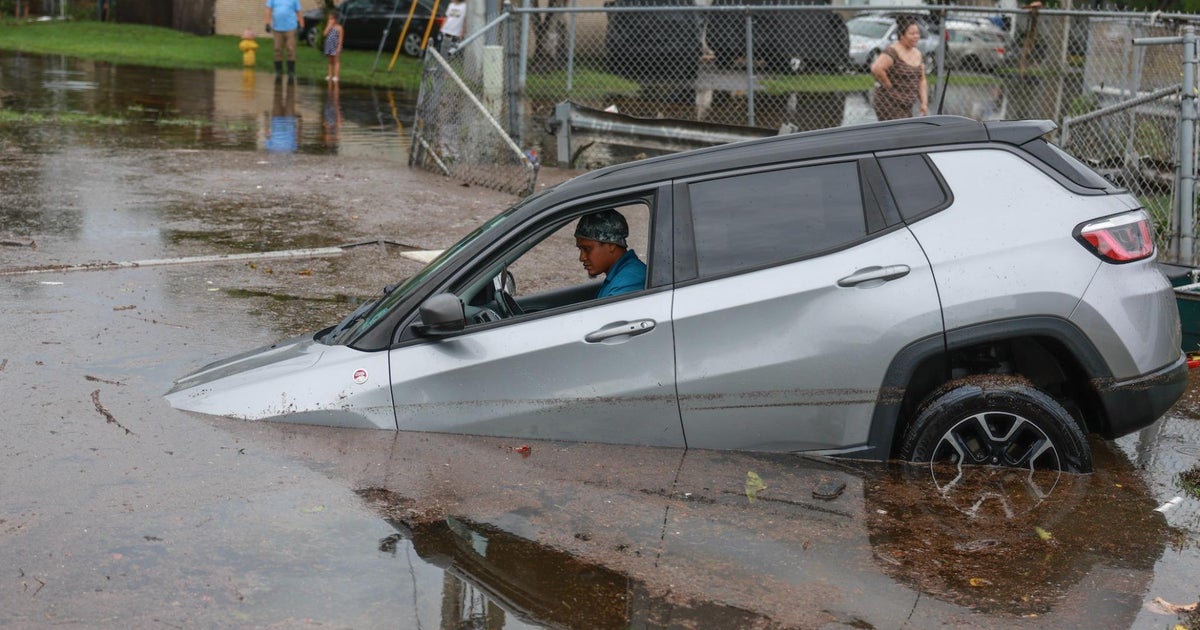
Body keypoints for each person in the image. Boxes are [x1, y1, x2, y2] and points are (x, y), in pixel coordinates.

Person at [574, 210, 646, 299]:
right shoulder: (620, 275)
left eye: (587, 249)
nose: (582, 257)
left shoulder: (628, 282)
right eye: (580, 249)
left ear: (611, 245)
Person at [870, 15, 928, 121]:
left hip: (906, 104)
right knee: (898, 133)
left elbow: (922, 80)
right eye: (912, 33)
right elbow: (876, 68)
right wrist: (888, 85)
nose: (916, 36)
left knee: (905, 132)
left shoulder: (918, 53)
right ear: (902, 35)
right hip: (889, 103)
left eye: (917, 33)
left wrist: (924, 103)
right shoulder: (893, 51)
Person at [265, 0, 304, 80]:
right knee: (277, 49)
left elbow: (299, 12)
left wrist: (302, 25)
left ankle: (291, 71)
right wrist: (267, 23)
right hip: (277, 28)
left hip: (291, 28)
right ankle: (278, 71)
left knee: (291, 49)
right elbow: (268, 10)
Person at [323, 12, 343, 82]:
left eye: (331, 19)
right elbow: (324, 34)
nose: (330, 20)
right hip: (329, 45)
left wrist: (339, 47)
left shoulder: (339, 28)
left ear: (335, 20)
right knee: (330, 61)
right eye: (329, 19)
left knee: (336, 61)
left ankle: (336, 76)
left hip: (335, 45)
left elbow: (340, 38)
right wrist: (328, 27)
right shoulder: (328, 27)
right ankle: (330, 75)